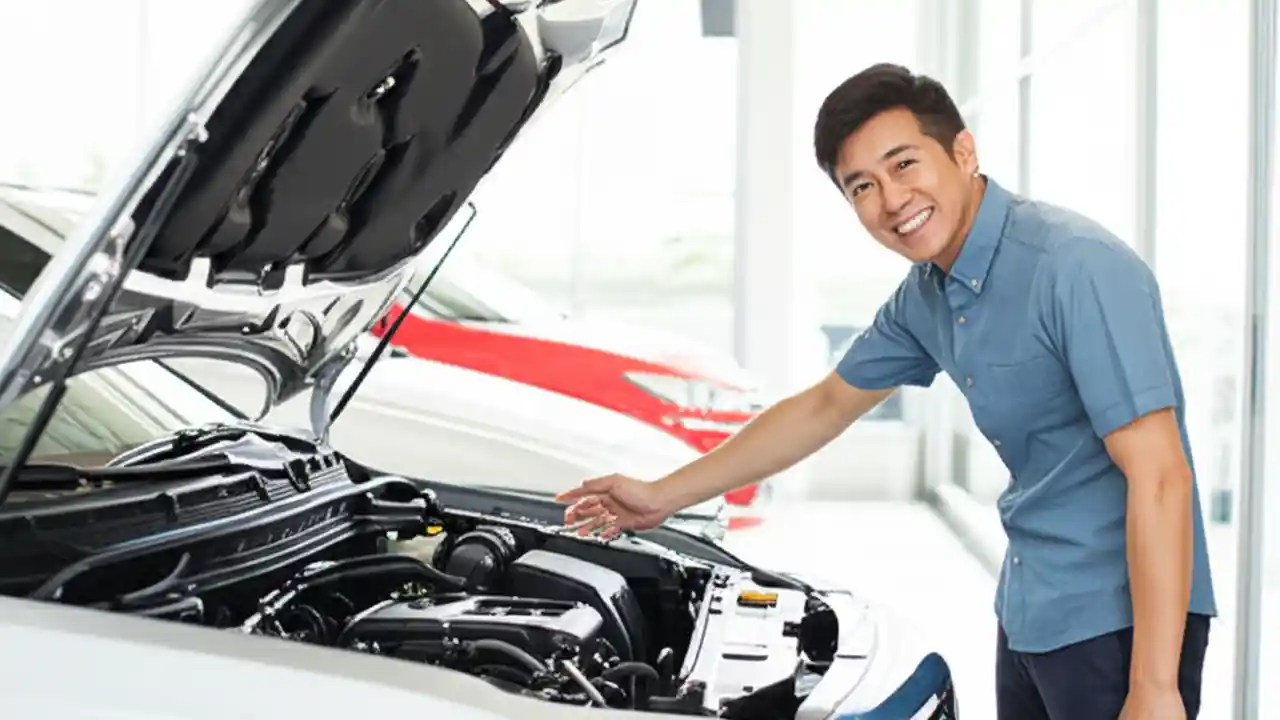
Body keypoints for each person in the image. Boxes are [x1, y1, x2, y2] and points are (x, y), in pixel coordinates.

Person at [555, 63, 1216, 719]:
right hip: (1032, 606)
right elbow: (822, 407)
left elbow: (1160, 476)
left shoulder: (1076, 266)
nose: (892, 200)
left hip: (1122, 620)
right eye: (862, 186)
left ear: (963, 151)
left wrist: (1155, 687)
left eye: (904, 165)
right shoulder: (928, 296)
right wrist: (660, 497)